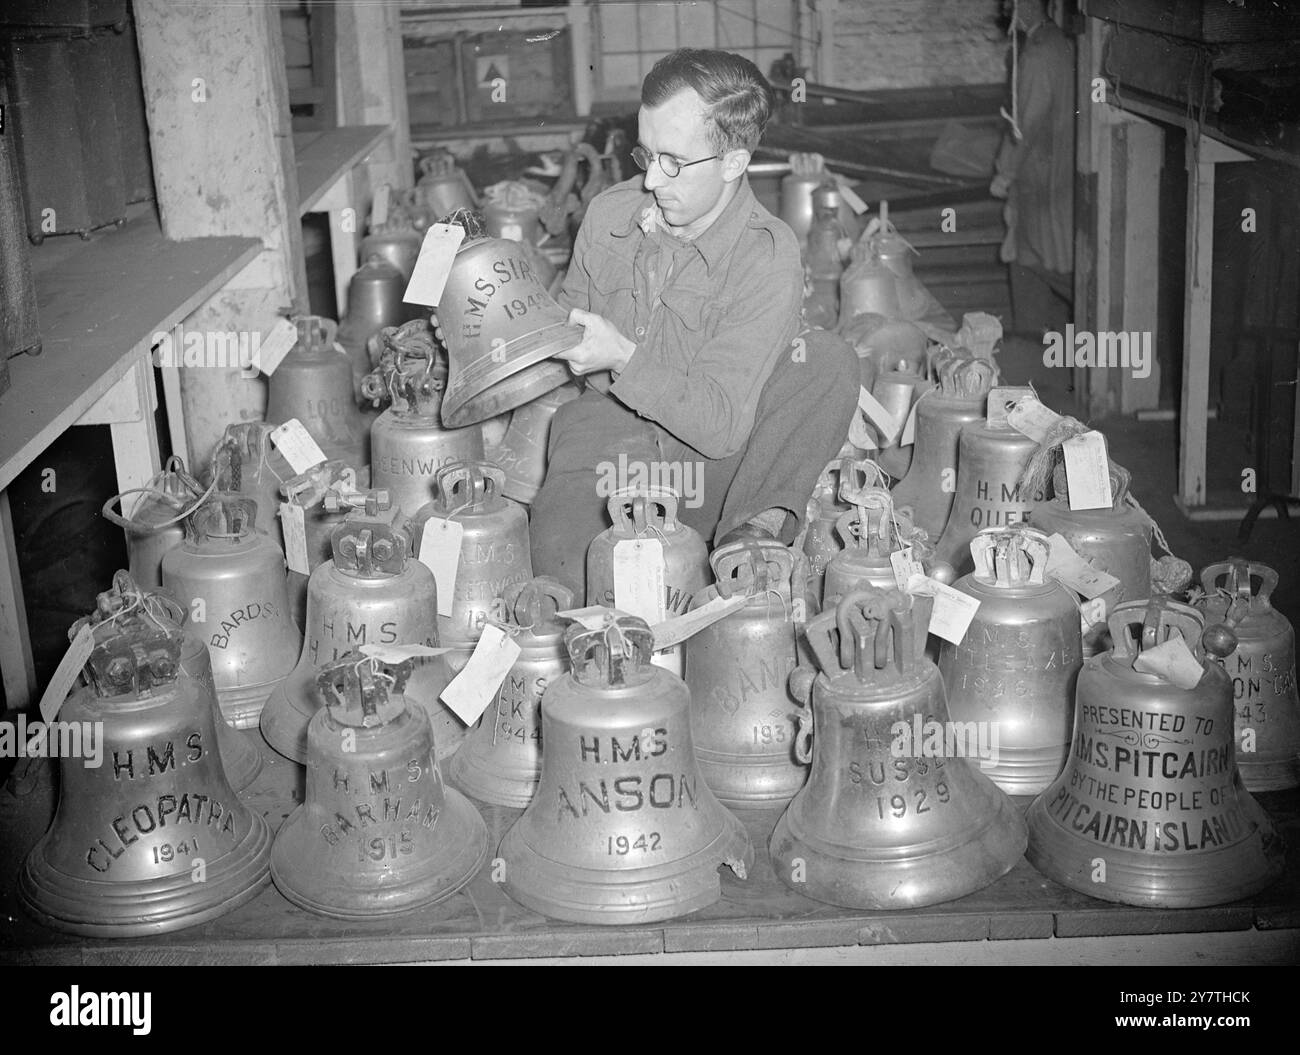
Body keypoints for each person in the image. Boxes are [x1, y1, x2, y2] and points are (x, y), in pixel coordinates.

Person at [530, 48, 859, 599]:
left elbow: (722, 425)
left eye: (674, 162)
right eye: (646, 154)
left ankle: (748, 534)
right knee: (569, 593)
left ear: (733, 162)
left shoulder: (766, 254)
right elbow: (566, 327)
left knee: (825, 360)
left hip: (714, 462)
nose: (653, 179)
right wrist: (488, 329)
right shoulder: (612, 214)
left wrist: (624, 358)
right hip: (606, 439)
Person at [990, 0, 1075, 337]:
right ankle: (1030, 330)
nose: (1007, 12)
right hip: (1056, 167)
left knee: (1042, 257)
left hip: (1040, 175)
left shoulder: (1038, 54)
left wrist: (1006, 171)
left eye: (1011, 5)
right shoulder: (1060, 42)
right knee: (1025, 254)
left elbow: (1025, 123)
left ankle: (1091, 318)